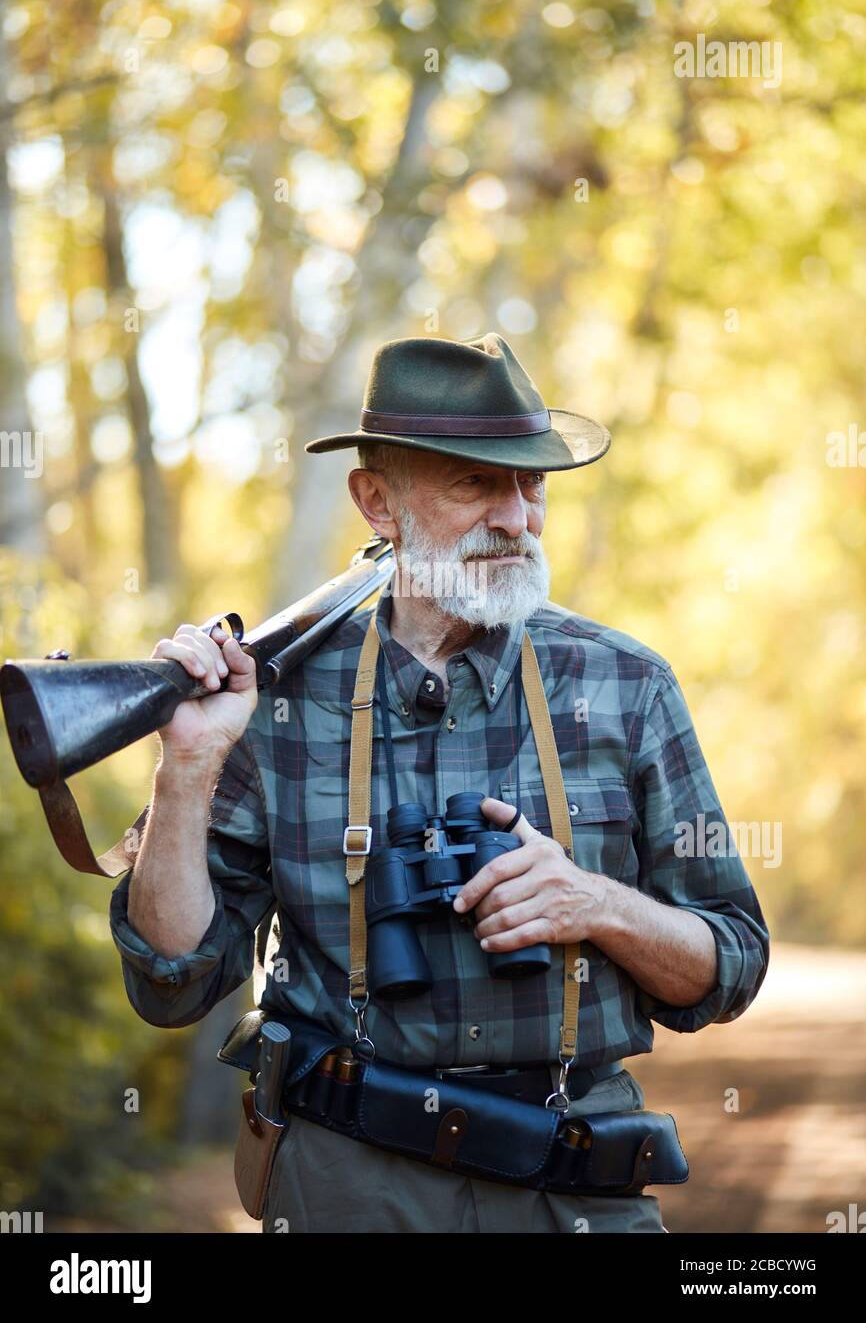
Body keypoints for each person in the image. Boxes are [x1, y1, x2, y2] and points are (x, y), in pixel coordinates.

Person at [107, 331, 770, 1234]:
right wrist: (185, 768)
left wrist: (595, 906)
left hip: (574, 1188)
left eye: (531, 483)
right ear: (375, 500)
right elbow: (175, 985)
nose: (516, 516)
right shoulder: (272, 693)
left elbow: (732, 962)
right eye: (474, 483)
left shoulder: (625, 684)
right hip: (344, 1185)